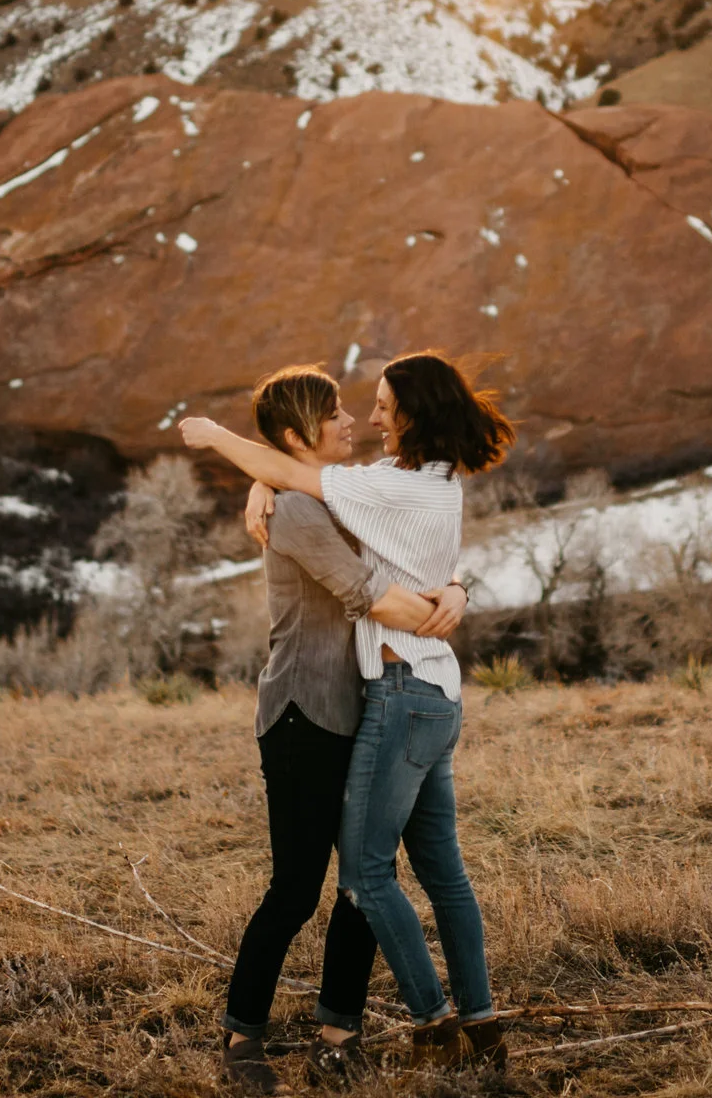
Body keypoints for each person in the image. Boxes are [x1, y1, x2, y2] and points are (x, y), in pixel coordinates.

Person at [182, 350, 515, 1067]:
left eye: (373, 408)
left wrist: (454, 589)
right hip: (317, 709)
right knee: (314, 886)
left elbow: (392, 556)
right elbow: (378, 582)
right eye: (334, 413)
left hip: (380, 699)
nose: (357, 420)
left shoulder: (362, 490)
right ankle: (251, 1033)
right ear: (298, 436)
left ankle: (374, 1028)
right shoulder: (333, 498)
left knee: (366, 880)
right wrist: (448, 594)